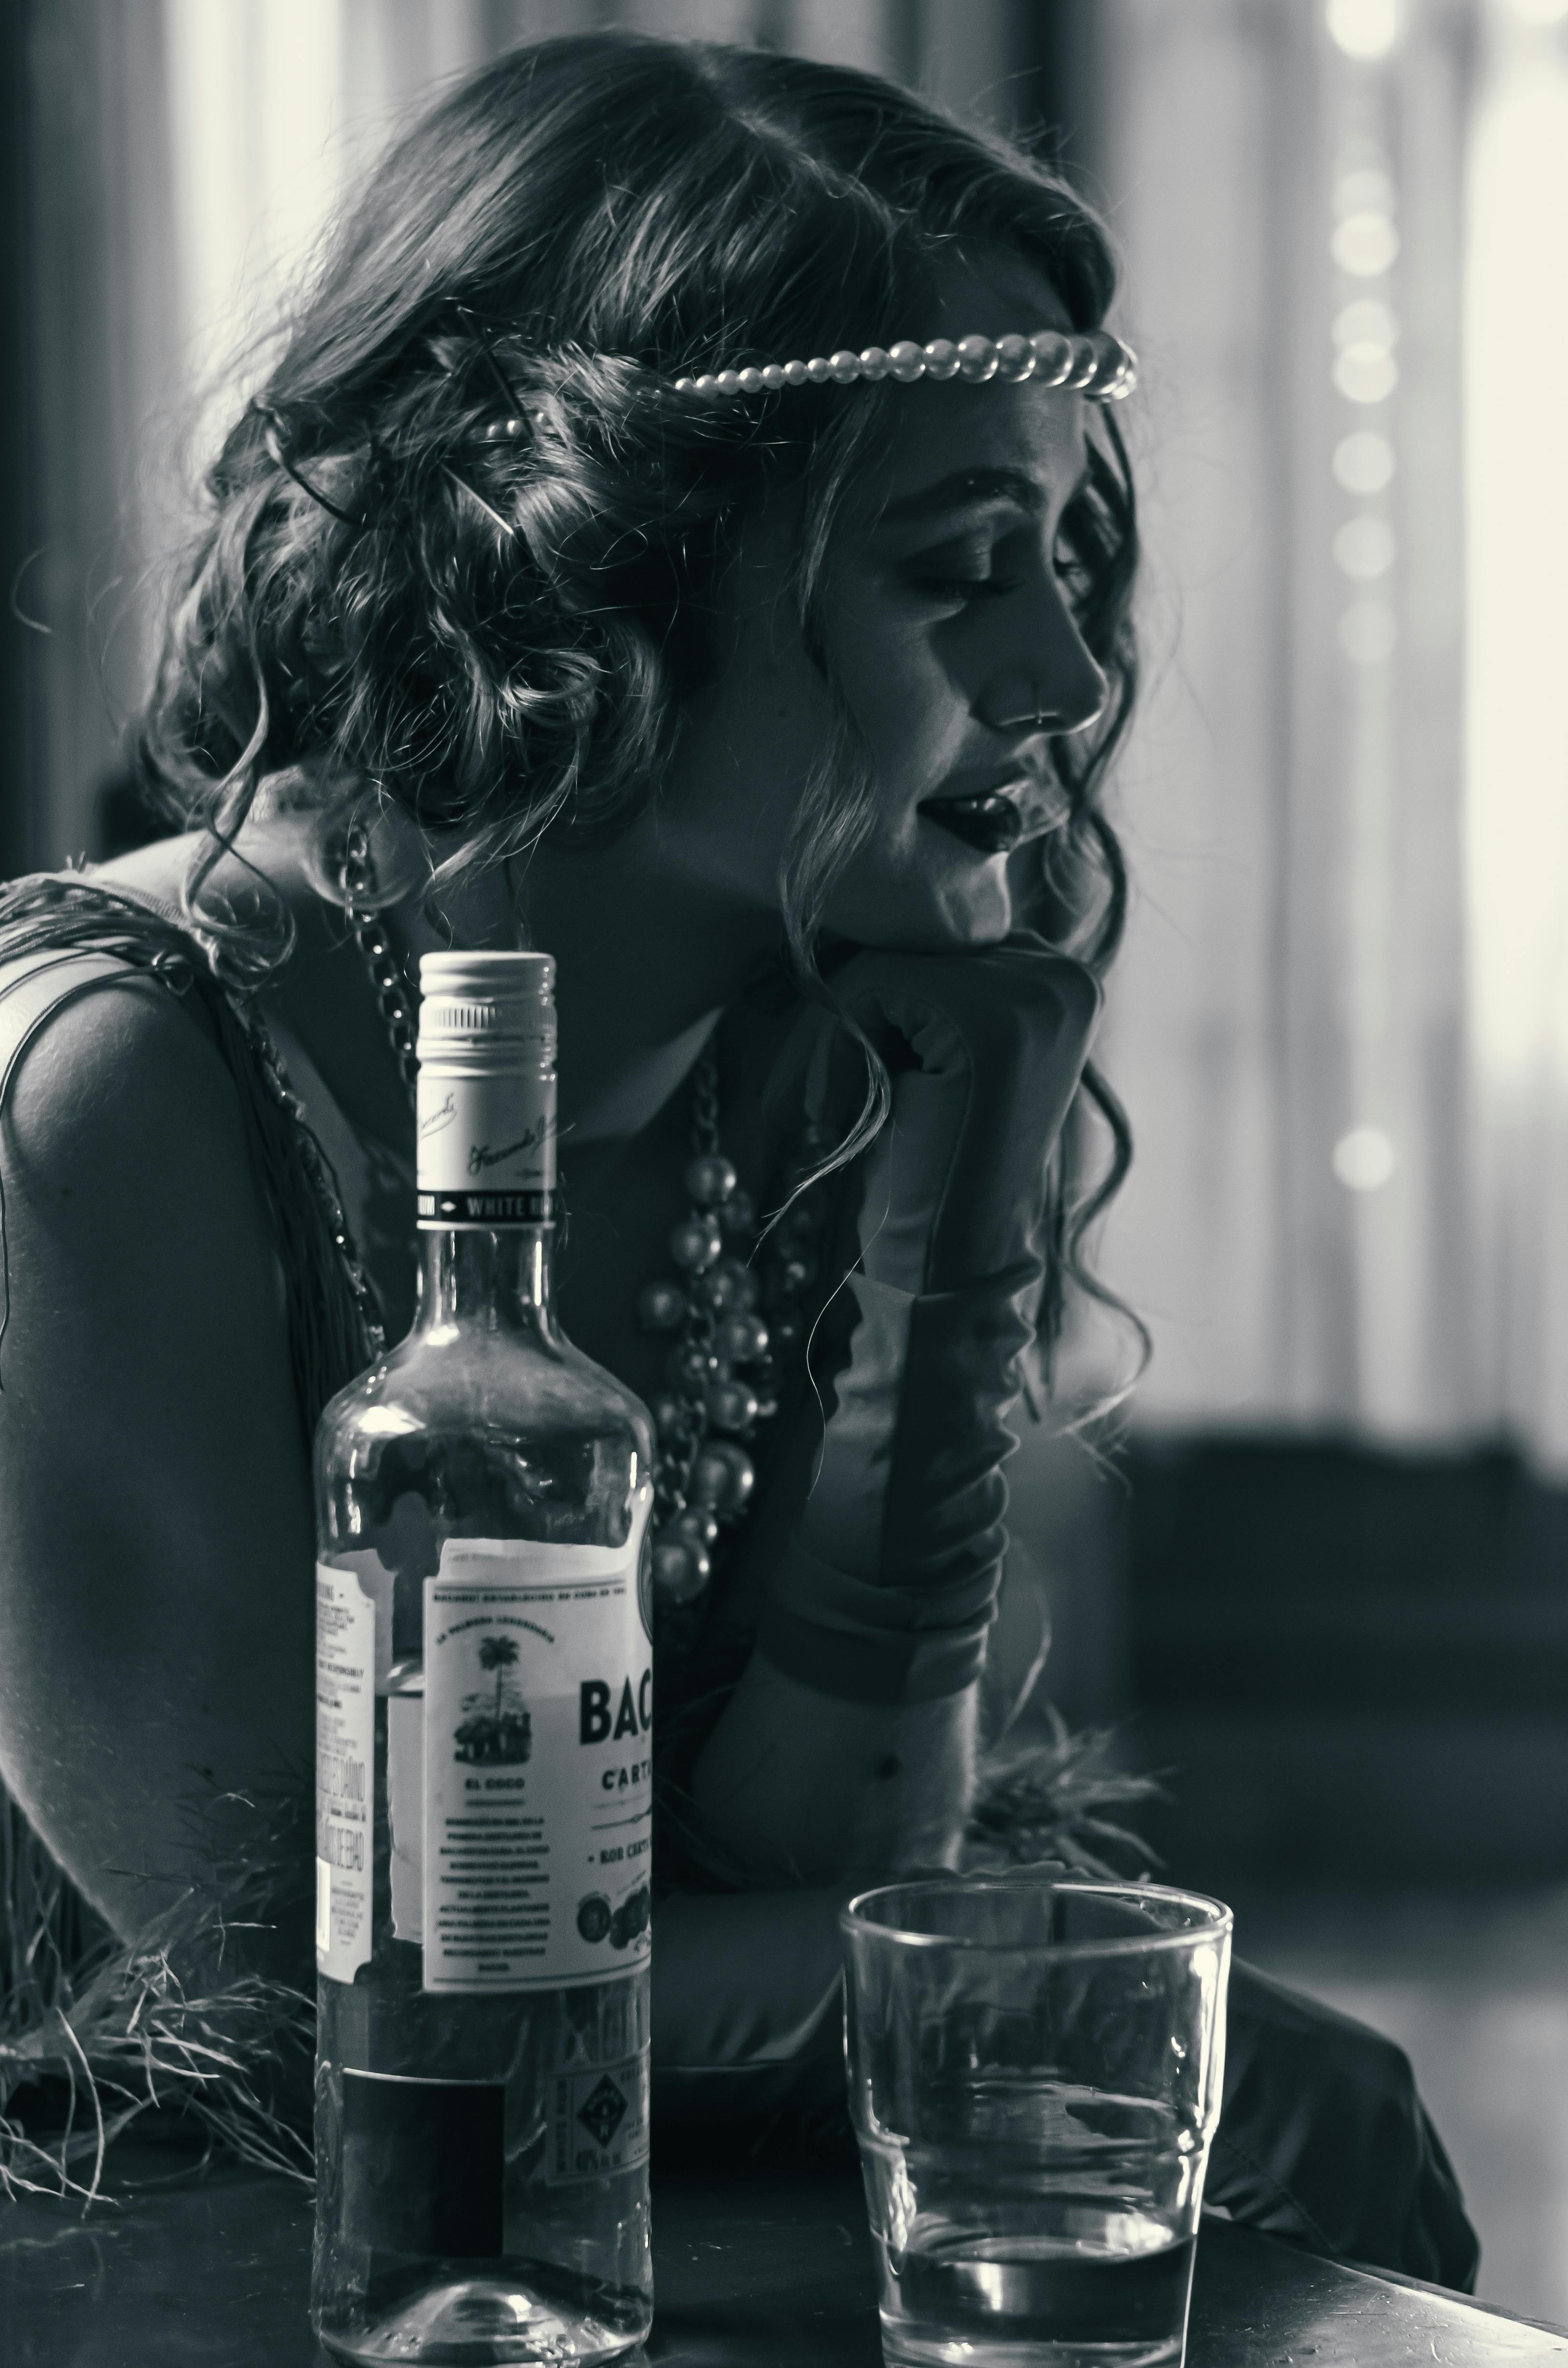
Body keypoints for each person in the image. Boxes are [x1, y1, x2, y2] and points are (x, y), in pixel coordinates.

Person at [0, 32, 1476, 2283]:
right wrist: (996, 1995)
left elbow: (813, 1831)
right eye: (960, 563)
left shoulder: (816, 1031)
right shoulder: (102, 1084)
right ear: (601, 581)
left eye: (1071, 553)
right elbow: (289, 2015)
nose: (1068, 671)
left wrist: (957, 1211)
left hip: (609, 2186)